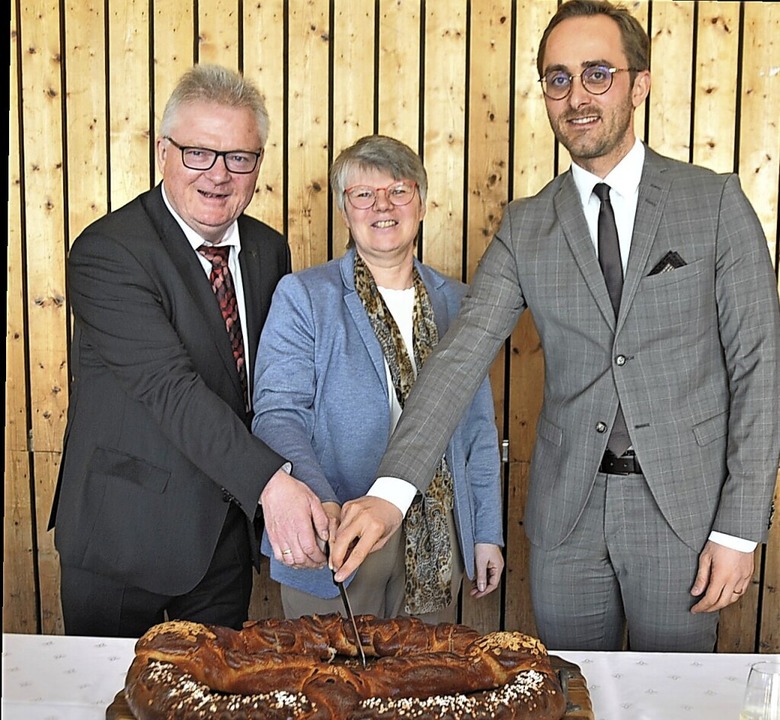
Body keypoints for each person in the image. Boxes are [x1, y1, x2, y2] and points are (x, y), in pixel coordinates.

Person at [330, 0, 780, 652]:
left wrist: (739, 530)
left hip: (683, 516)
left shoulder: (713, 203)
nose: (577, 95)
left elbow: (759, 368)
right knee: (569, 693)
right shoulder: (526, 225)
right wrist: (391, 493)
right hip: (565, 519)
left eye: (598, 73)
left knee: (675, 701)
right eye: (558, 77)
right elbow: (461, 356)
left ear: (639, 84)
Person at [49, 64, 330, 637]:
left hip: (223, 543)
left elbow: (268, 390)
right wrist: (273, 485)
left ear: (258, 165)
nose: (219, 175)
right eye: (199, 152)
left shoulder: (267, 250)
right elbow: (170, 389)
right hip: (121, 538)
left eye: (239, 157)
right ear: (163, 152)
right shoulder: (108, 252)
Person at [252, 135, 504, 623]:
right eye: (363, 195)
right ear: (345, 213)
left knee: (418, 687)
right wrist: (320, 504)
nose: (382, 206)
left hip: (437, 543)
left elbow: (475, 428)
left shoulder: (457, 301)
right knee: (329, 685)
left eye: (398, 191)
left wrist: (485, 531)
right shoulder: (304, 296)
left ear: (423, 204)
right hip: (336, 533)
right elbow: (278, 416)